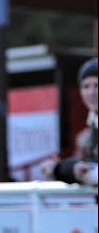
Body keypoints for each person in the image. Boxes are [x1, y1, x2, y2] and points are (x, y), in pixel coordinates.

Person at [39, 57, 97, 187]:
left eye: (97, 85)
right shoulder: (88, 134)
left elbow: (90, 173)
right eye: (86, 86)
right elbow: (84, 170)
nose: (92, 92)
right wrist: (58, 168)